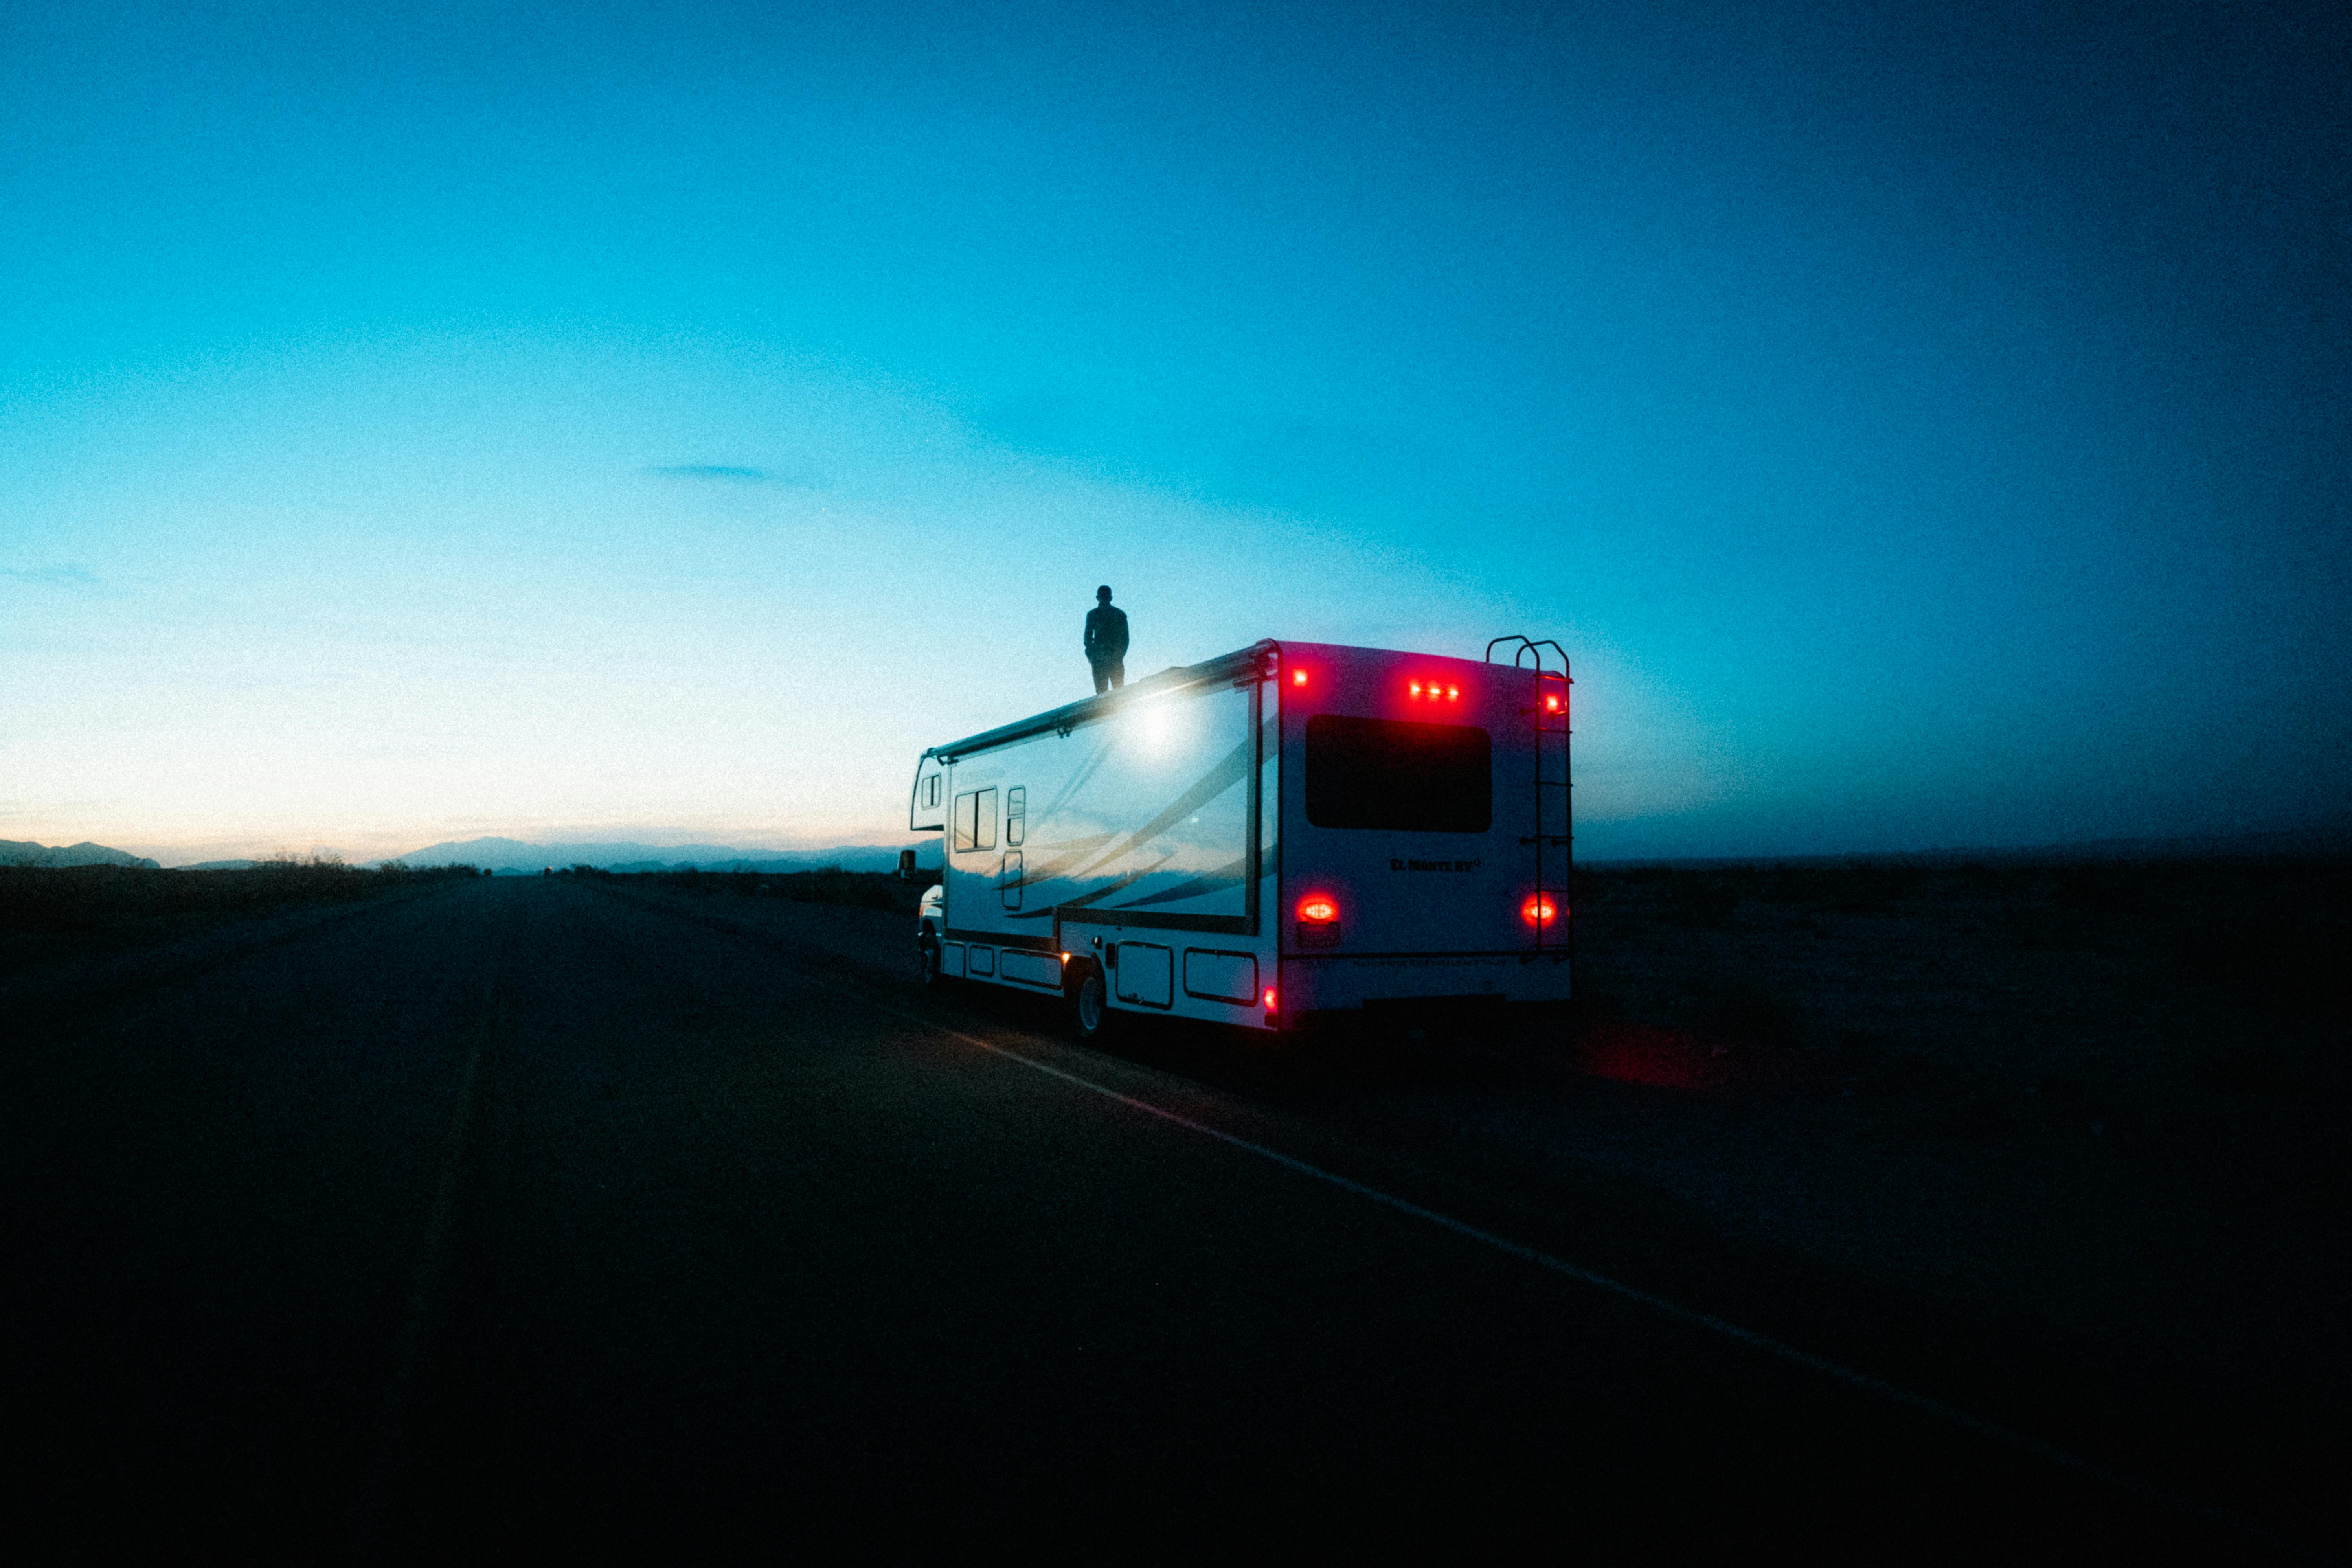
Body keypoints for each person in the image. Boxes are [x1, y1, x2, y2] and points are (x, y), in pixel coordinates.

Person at [1084, 585, 1130, 694]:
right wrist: (1092, 655)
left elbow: (1125, 639)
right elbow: (1088, 639)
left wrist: (1118, 655)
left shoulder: (1119, 615)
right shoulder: (1093, 615)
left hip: (1113, 657)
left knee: (1118, 693)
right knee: (1105, 694)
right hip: (1101, 658)